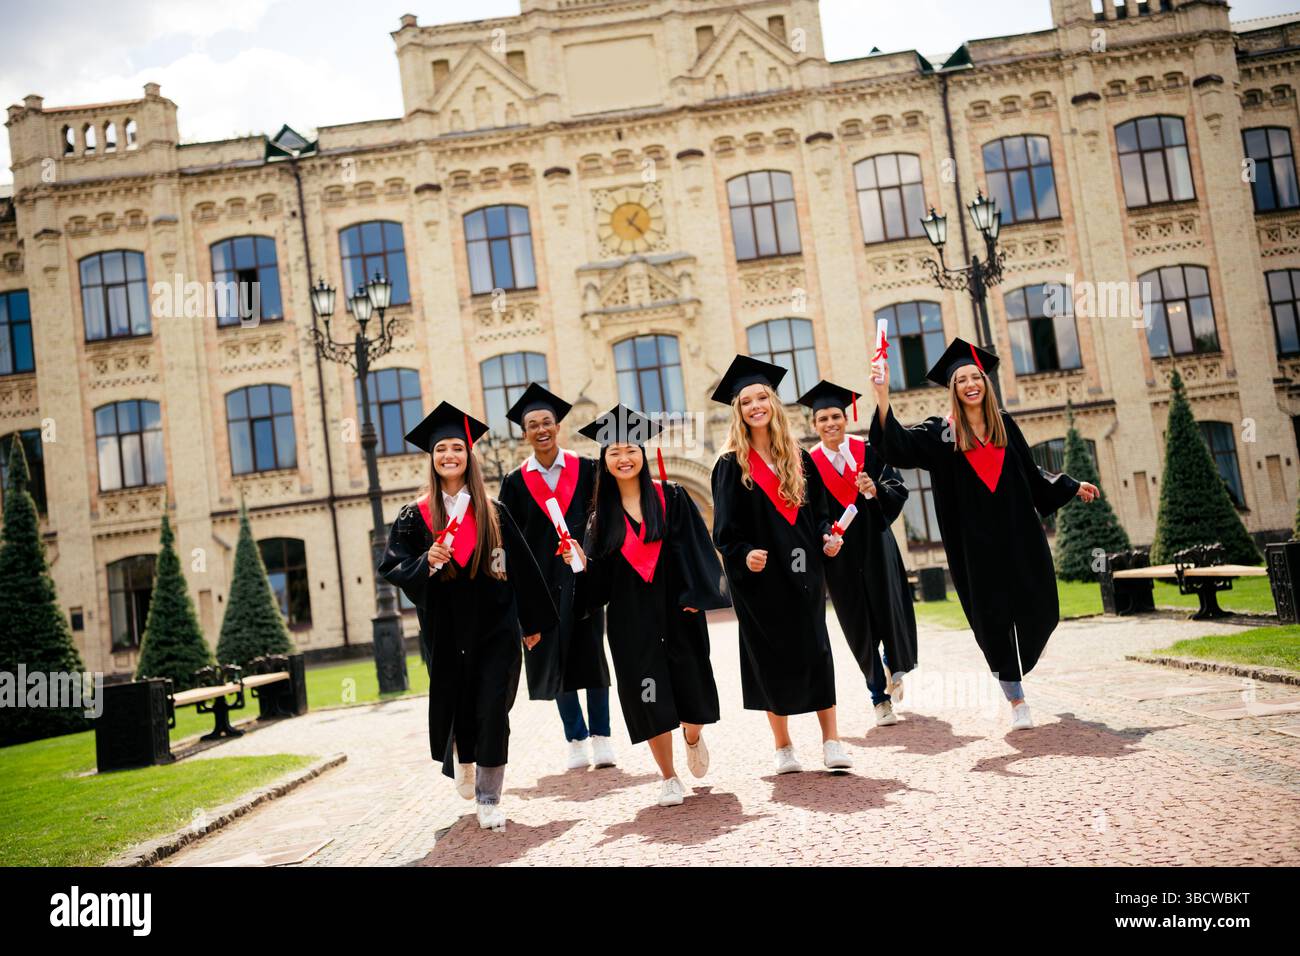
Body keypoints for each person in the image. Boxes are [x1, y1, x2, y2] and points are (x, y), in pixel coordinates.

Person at [869, 339, 1098, 731]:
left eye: (976, 377)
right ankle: (1016, 697)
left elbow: (1033, 474)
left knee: (1043, 612)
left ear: (985, 384)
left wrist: (1071, 485)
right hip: (974, 549)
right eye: (961, 380)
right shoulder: (942, 434)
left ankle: (1014, 670)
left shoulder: (1004, 424)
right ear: (953, 390)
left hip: (1020, 539)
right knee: (992, 623)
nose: (970, 384)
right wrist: (882, 393)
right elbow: (898, 445)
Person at [378, 401, 557, 831]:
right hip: (445, 628)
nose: (449, 456)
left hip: (496, 626)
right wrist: (427, 561)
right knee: (459, 704)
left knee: (493, 706)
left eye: (456, 448)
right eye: (441, 450)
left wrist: (530, 624)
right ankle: (464, 756)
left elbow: (523, 569)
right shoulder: (414, 515)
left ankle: (490, 795)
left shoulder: (493, 511)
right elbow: (392, 566)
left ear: (468, 455)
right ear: (432, 458)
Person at [564, 405, 730, 808]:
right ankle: (669, 776)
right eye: (614, 452)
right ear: (604, 460)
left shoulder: (671, 498)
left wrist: (697, 596)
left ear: (642, 454)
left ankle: (693, 735)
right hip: (631, 623)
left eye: (630, 450)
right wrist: (581, 564)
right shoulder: (599, 519)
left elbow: (699, 550)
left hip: (679, 613)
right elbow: (598, 587)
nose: (623, 458)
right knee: (648, 699)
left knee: (693, 698)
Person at [709, 355, 853, 774]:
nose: (756, 406)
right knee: (770, 658)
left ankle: (831, 740)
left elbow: (820, 513)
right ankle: (784, 746)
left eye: (762, 398)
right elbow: (725, 533)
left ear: (772, 403)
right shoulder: (730, 465)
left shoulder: (800, 458)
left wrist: (828, 536)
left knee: (816, 650)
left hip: (804, 574)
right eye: (747, 401)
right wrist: (742, 554)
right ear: (738, 411)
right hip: (759, 581)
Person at [497, 383, 615, 773]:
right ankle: (576, 738)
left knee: (592, 655)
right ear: (524, 432)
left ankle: (602, 737)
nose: (541, 429)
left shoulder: (587, 468)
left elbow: (603, 521)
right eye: (533, 425)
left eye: (547, 422)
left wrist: (589, 556)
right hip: (543, 587)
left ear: (558, 426)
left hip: (583, 576)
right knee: (558, 660)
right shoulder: (515, 483)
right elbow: (510, 541)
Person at [798, 379, 918, 728]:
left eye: (836, 416)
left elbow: (898, 487)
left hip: (877, 546)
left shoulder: (869, 452)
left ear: (846, 417)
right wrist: (823, 536)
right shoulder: (808, 464)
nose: (830, 423)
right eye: (822, 419)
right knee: (857, 624)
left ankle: (894, 663)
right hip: (840, 558)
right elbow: (811, 513)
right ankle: (878, 698)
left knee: (888, 610)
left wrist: (874, 490)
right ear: (813, 425)